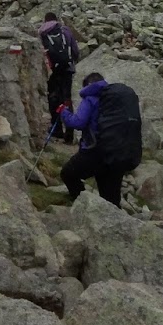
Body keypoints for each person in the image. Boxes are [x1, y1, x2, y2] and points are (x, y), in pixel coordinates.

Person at [56, 71, 137, 207]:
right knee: (111, 198)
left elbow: (78, 122)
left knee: (68, 174)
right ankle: (113, 223)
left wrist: (64, 112)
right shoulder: (115, 98)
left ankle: (82, 205)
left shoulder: (90, 98)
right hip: (118, 152)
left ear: (88, 85)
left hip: (95, 151)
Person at [38, 17, 81, 144]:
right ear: (56, 20)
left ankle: (56, 129)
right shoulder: (65, 31)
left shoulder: (42, 33)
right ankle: (69, 133)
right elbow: (75, 51)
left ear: (45, 20)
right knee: (66, 99)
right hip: (67, 69)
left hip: (52, 71)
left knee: (53, 98)